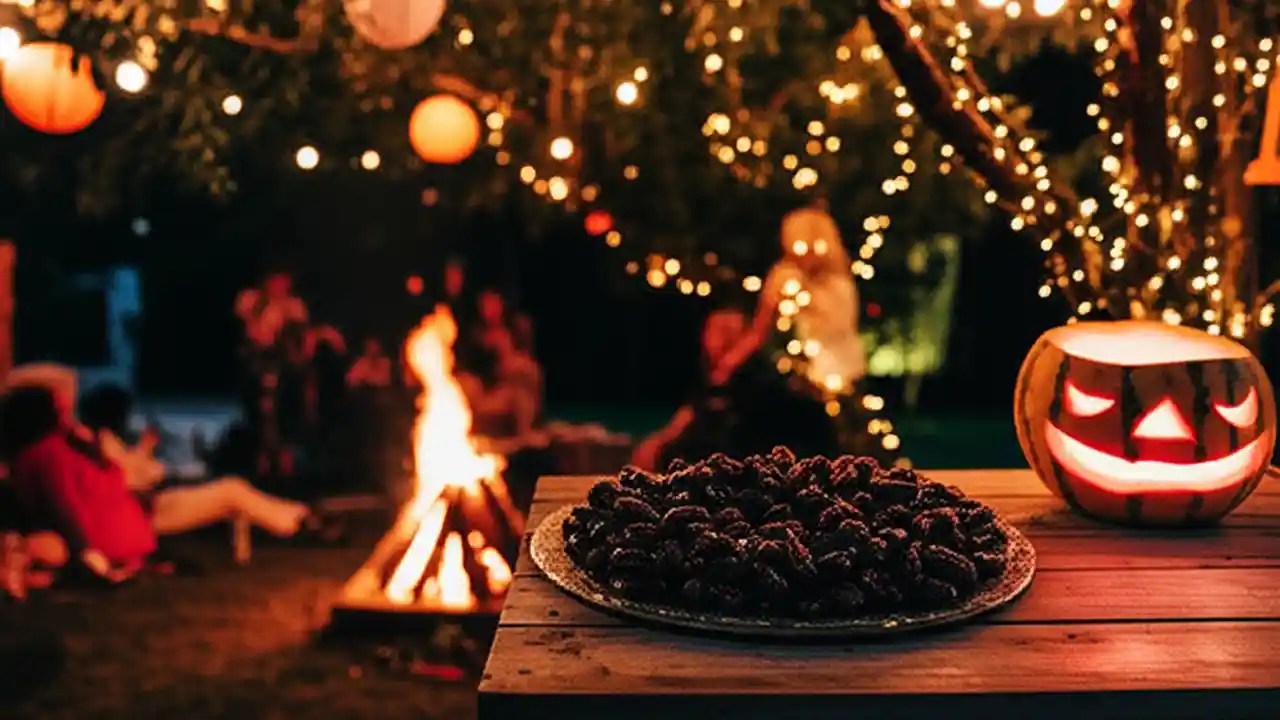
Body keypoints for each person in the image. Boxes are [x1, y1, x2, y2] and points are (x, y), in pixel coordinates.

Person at [6, 386, 324, 581]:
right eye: (60, 408)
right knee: (230, 492)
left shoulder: (69, 447)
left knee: (232, 488)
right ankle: (300, 521)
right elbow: (65, 505)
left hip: (141, 507)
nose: (67, 414)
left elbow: (105, 477)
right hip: (138, 517)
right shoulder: (47, 453)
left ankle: (300, 517)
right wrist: (89, 554)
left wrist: (89, 447)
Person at [711, 206, 866, 394]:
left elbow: (840, 327)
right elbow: (761, 328)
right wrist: (731, 362)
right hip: (790, 378)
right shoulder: (783, 278)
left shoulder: (838, 283)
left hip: (835, 373)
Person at [631, 307, 748, 470]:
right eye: (716, 331)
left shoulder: (752, 383)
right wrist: (656, 444)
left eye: (730, 332)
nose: (722, 341)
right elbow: (682, 420)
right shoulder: (703, 384)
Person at [234, 269, 310, 477]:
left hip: (282, 366)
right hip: (257, 362)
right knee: (260, 416)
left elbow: (298, 339)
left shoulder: (293, 306)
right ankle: (261, 460)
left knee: (280, 418)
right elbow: (247, 331)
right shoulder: (251, 300)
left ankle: (283, 462)